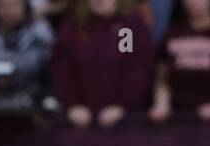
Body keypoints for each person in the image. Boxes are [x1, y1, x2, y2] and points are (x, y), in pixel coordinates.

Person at [52, 0, 154, 128]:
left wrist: (122, 106)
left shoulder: (127, 28)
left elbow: (136, 68)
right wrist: (72, 105)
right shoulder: (73, 27)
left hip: (124, 120)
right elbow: (63, 69)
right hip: (78, 119)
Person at [148, 0, 210, 123]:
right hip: (174, 117)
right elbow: (161, 76)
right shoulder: (172, 32)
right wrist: (162, 102)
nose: (193, 2)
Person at [0, 0, 54, 92]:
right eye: (2, 6)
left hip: (33, 93)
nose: (8, 11)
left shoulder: (38, 36)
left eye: (13, 5)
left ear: (25, 8)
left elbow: (39, 67)